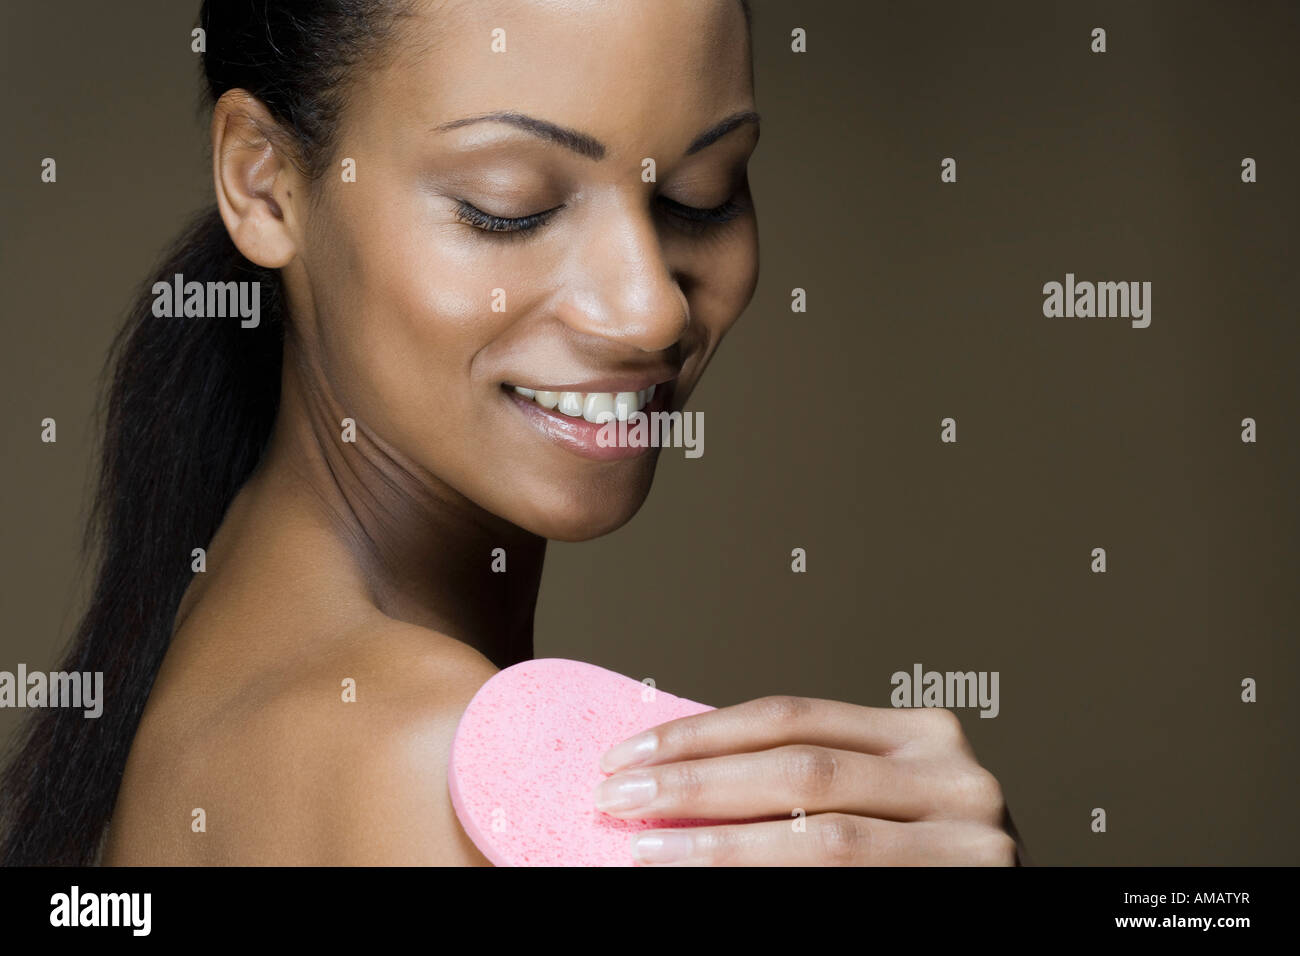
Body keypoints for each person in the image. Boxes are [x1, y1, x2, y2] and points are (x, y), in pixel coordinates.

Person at [0, 0, 1021, 866]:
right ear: (264, 184)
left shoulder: (229, 626)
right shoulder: (437, 768)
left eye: (698, 196)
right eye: (509, 209)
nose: (648, 310)